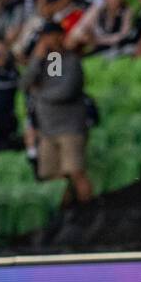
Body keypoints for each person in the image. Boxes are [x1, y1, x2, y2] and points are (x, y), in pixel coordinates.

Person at [22, 22, 93, 203]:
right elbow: (25, 84)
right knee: (54, 178)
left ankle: (91, 211)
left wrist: (38, 93)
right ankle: (66, 217)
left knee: (75, 172)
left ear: (59, 36)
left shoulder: (70, 60)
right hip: (47, 130)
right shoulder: (53, 60)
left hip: (70, 128)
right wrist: (37, 59)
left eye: (49, 36)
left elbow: (66, 90)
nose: (45, 41)